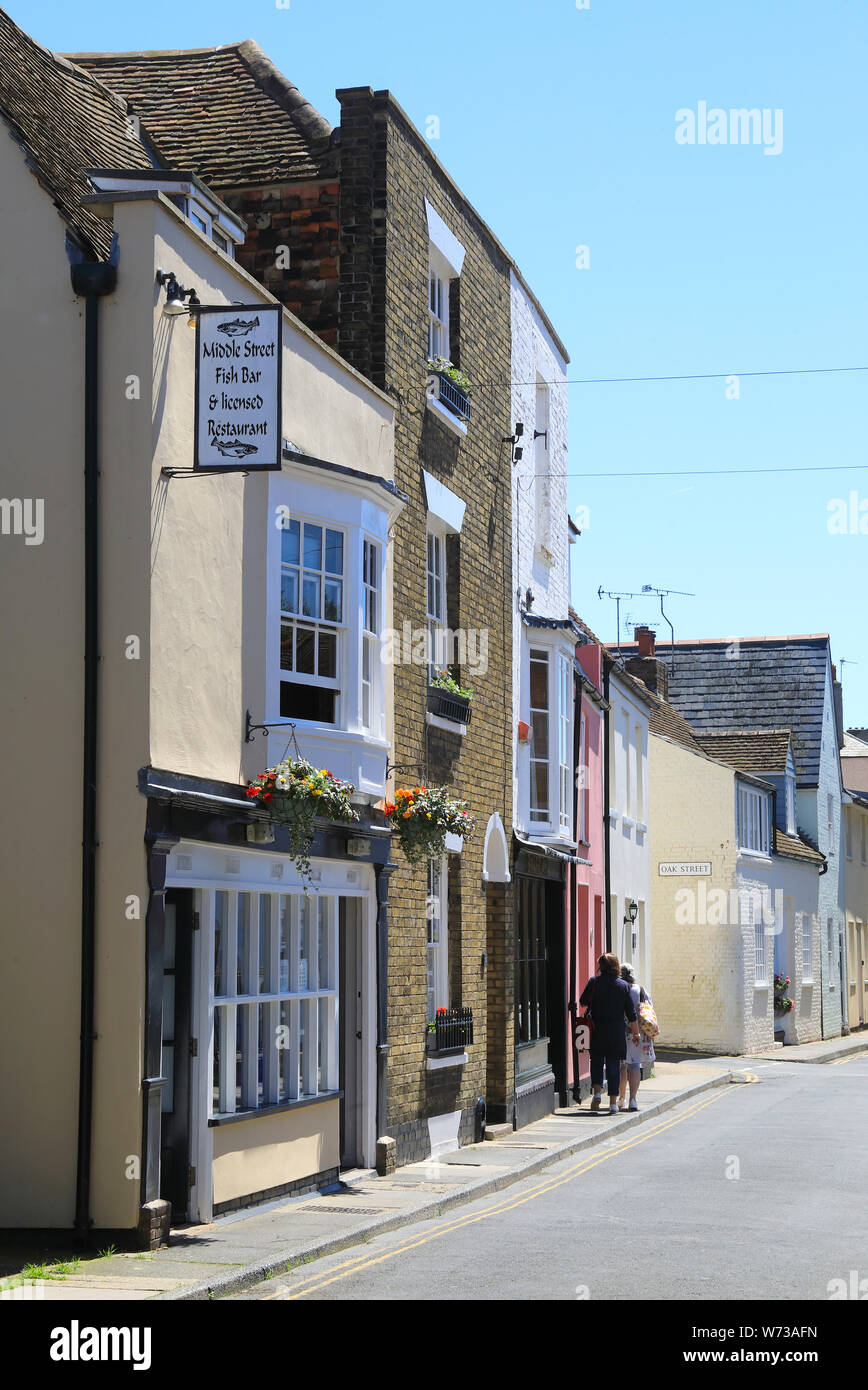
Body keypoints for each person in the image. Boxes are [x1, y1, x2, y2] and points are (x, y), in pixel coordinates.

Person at [579, 953, 640, 1115]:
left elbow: (583, 1001)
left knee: (597, 1062)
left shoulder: (594, 982)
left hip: (597, 1030)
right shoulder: (624, 986)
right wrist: (636, 1033)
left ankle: (597, 1093)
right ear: (616, 966)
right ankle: (613, 1103)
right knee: (614, 1066)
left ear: (601, 966)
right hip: (616, 1032)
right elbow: (631, 1013)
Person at [618, 962, 655, 1112]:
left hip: (623, 1031)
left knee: (622, 1066)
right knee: (634, 1066)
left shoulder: (620, 989)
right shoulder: (640, 990)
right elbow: (649, 1011)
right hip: (638, 1033)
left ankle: (621, 1098)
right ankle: (633, 1100)